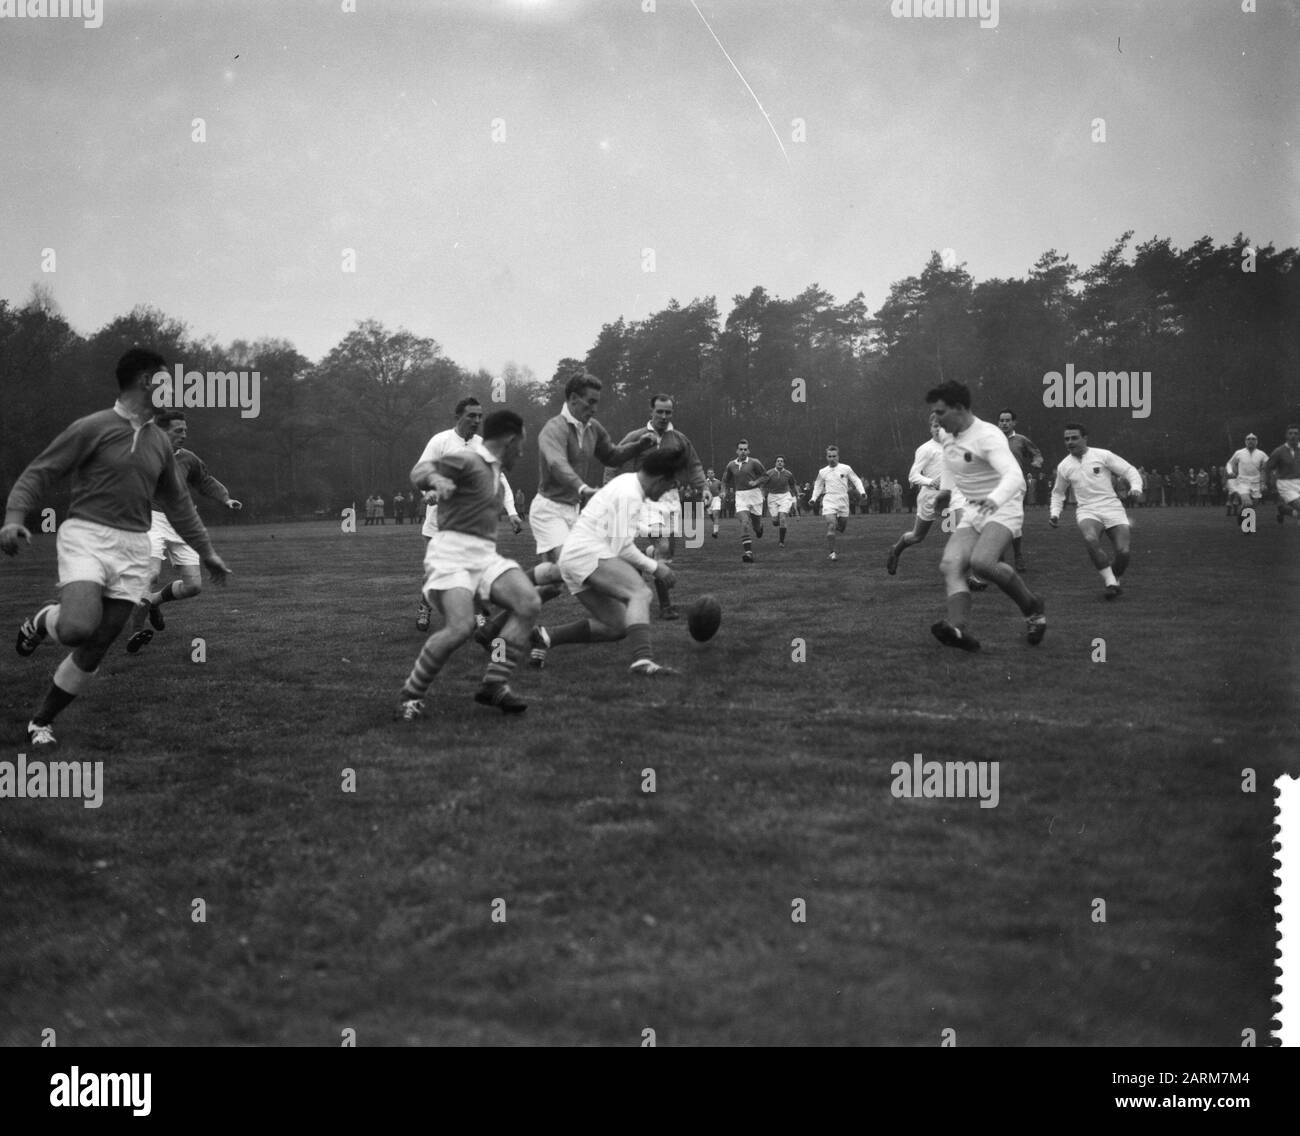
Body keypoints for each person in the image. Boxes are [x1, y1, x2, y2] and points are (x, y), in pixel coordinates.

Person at [2, 349, 231, 747]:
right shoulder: (93, 427)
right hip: (87, 537)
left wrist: (206, 551)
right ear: (145, 381)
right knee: (76, 629)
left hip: (133, 547)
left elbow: (178, 504)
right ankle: (45, 620)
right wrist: (14, 518)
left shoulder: (160, 443)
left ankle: (41, 722)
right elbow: (41, 471)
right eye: (164, 380)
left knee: (99, 643)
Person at [398, 409, 540, 719]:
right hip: (450, 555)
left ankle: (494, 685)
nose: (522, 452)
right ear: (511, 439)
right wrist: (435, 478)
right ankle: (412, 693)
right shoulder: (468, 459)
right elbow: (419, 471)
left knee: (528, 602)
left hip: (483, 557)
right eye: (522, 444)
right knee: (460, 627)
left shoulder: (496, 477)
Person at [542, 446, 689, 677]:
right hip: (586, 554)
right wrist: (655, 567)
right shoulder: (630, 493)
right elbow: (622, 548)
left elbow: (615, 535)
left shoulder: (627, 482)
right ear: (660, 479)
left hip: (576, 556)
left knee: (617, 626)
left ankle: (545, 637)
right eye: (668, 486)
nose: (663, 494)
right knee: (640, 594)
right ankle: (643, 661)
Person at [925, 381, 1045, 652]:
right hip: (974, 507)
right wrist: (945, 491)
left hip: (1004, 503)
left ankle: (1033, 608)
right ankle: (957, 629)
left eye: (940, 412)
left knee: (982, 563)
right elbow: (949, 461)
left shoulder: (988, 436)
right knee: (950, 565)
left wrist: (994, 500)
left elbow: (1014, 476)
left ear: (959, 408)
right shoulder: (948, 435)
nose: (935, 418)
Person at [123, 410, 242, 654]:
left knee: (193, 587)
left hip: (182, 523)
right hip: (151, 520)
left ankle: (153, 602)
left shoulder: (188, 458)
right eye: (179, 430)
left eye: (186, 430)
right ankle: (136, 631)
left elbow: (205, 481)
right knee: (151, 574)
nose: (184, 435)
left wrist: (226, 499)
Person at [413, 397, 522, 632]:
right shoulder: (440, 441)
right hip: (439, 522)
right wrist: (428, 491)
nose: (477, 420)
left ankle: (480, 616)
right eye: (472, 415)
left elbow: (500, 478)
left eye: (480, 416)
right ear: (458, 417)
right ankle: (425, 605)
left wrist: (512, 512)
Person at [610, 394, 705, 619]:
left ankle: (644, 558)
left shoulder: (680, 439)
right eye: (659, 411)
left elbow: (694, 466)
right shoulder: (637, 436)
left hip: (671, 498)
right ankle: (665, 606)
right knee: (662, 546)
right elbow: (614, 460)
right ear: (651, 411)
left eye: (668, 412)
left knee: (667, 551)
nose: (663, 416)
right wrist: (609, 490)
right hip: (647, 497)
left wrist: (705, 489)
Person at [1049, 424, 1144, 599]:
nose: (1070, 442)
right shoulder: (1064, 466)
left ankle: (1114, 580)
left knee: (1123, 553)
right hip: (1087, 510)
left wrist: (1136, 486)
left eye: (1074, 438)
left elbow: (1129, 470)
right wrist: (1055, 513)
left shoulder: (1103, 455)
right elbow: (1058, 493)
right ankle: (1110, 582)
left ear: (1085, 438)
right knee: (1090, 539)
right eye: (1066, 439)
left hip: (1112, 508)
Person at [887, 417, 965, 575]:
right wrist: (931, 482)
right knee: (917, 536)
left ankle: (961, 574)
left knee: (955, 532)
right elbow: (912, 476)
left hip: (949, 499)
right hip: (929, 498)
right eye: (935, 426)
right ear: (930, 429)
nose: (939, 429)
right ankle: (896, 549)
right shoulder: (926, 449)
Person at [996, 410, 1044, 572]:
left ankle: (1018, 556)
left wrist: (1037, 462)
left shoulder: (1021, 440)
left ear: (1014, 423)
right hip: (995, 486)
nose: (1004, 423)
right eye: (1001, 420)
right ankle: (1000, 557)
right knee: (995, 521)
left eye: (1007, 420)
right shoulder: (992, 439)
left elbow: (1036, 453)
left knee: (1014, 521)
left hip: (1016, 485)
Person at [810, 445, 866, 562]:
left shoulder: (846, 468)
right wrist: (813, 498)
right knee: (831, 525)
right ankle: (832, 553)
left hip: (843, 500)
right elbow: (818, 486)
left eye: (834, 456)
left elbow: (856, 480)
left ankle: (836, 528)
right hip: (829, 499)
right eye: (829, 456)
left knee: (841, 527)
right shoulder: (822, 472)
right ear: (826, 457)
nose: (832, 458)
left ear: (838, 456)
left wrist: (862, 492)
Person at [722, 440, 770, 563]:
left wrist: (756, 482)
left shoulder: (754, 462)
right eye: (741, 449)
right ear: (737, 451)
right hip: (740, 496)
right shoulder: (731, 465)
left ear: (748, 451)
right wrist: (723, 491)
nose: (743, 452)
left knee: (756, 527)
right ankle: (748, 554)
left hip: (754, 495)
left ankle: (759, 528)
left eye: (745, 449)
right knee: (744, 522)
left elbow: (765, 476)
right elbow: (724, 480)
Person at [1225, 433, 1268, 518]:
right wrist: (1230, 472)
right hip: (1242, 482)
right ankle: (1248, 528)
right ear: (1245, 441)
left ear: (1257, 442)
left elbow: (1269, 466)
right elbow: (1229, 463)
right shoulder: (1239, 453)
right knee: (1248, 503)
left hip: (1256, 482)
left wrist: (1264, 483)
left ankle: (1241, 514)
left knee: (1253, 506)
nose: (1250, 441)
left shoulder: (1262, 454)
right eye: (1248, 439)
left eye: (1253, 439)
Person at [1265, 424, 1300, 524]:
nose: (1293, 436)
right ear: (1286, 435)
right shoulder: (1278, 451)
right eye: (1290, 433)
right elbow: (1268, 467)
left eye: (1296, 433)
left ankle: (1284, 510)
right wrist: (1266, 483)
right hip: (1285, 484)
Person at [764, 456, 800, 548]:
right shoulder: (769, 473)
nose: (780, 462)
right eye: (778, 461)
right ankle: (777, 521)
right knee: (775, 521)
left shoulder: (788, 474)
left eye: (781, 461)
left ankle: (781, 541)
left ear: (784, 463)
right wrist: (761, 494)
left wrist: (797, 494)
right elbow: (763, 484)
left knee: (782, 518)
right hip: (772, 497)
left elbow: (793, 485)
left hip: (785, 496)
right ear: (775, 463)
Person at [704, 468, 724, 538]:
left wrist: (722, 494)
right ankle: (716, 524)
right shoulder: (704, 482)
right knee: (711, 516)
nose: (710, 474)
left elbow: (722, 489)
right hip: (708, 500)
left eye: (712, 473)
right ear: (707, 474)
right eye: (709, 473)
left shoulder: (718, 482)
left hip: (716, 499)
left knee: (715, 515)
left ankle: (715, 532)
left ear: (714, 474)